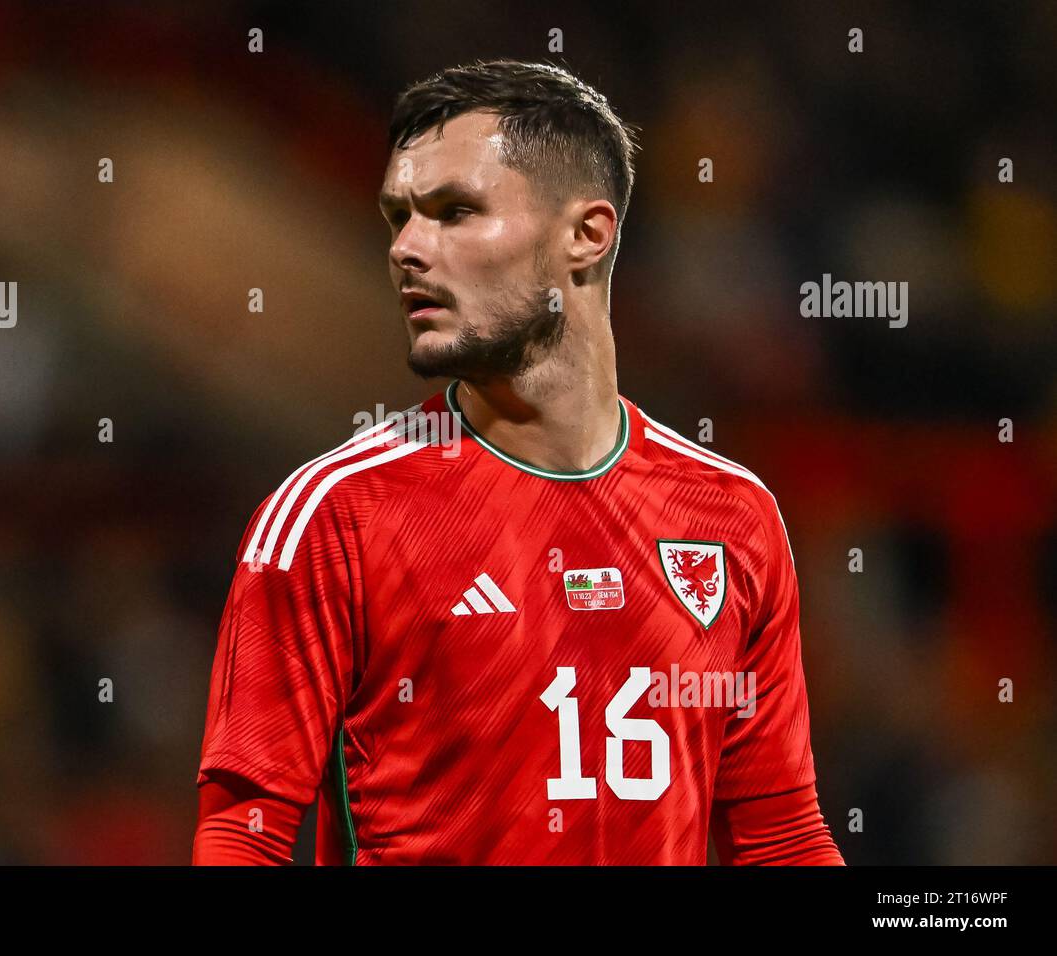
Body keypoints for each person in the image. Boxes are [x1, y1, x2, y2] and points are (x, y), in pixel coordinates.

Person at [194, 59, 843, 865]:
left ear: (586, 235)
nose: (406, 249)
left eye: (454, 212)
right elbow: (243, 830)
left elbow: (780, 838)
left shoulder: (732, 517)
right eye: (398, 217)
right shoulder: (333, 517)